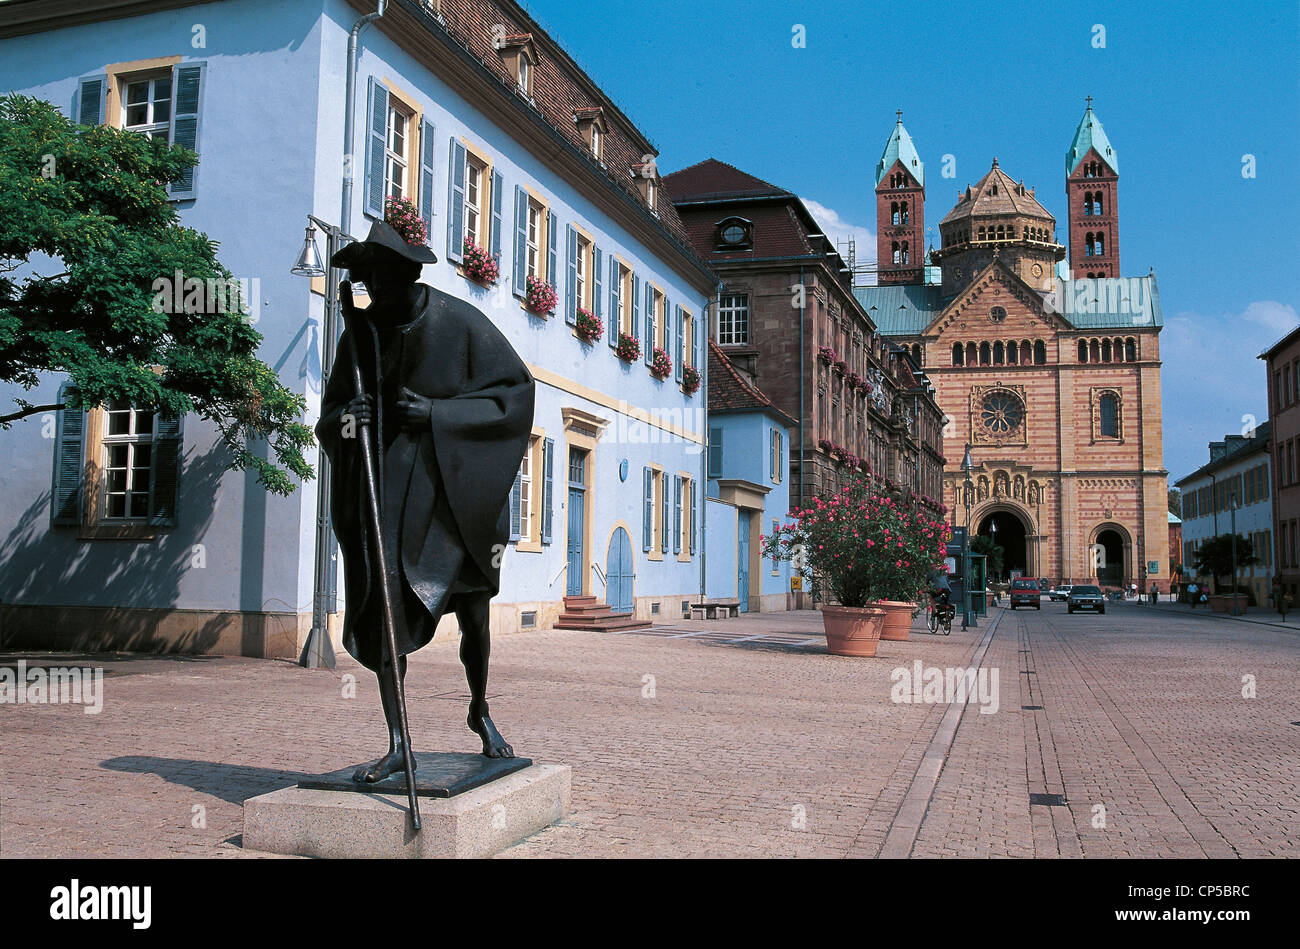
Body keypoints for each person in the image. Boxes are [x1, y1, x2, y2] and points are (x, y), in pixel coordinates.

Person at [316, 220, 536, 782]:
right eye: (368, 283)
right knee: (385, 607)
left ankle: (479, 710)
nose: (376, 293)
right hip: (388, 494)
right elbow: (329, 421)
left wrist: (438, 414)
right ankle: (398, 741)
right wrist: (349, 421)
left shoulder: (460, 323)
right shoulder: (359, 334)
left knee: (475, 615)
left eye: (384, 281)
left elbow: (514, 398)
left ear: (410, 273)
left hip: (456, 497)